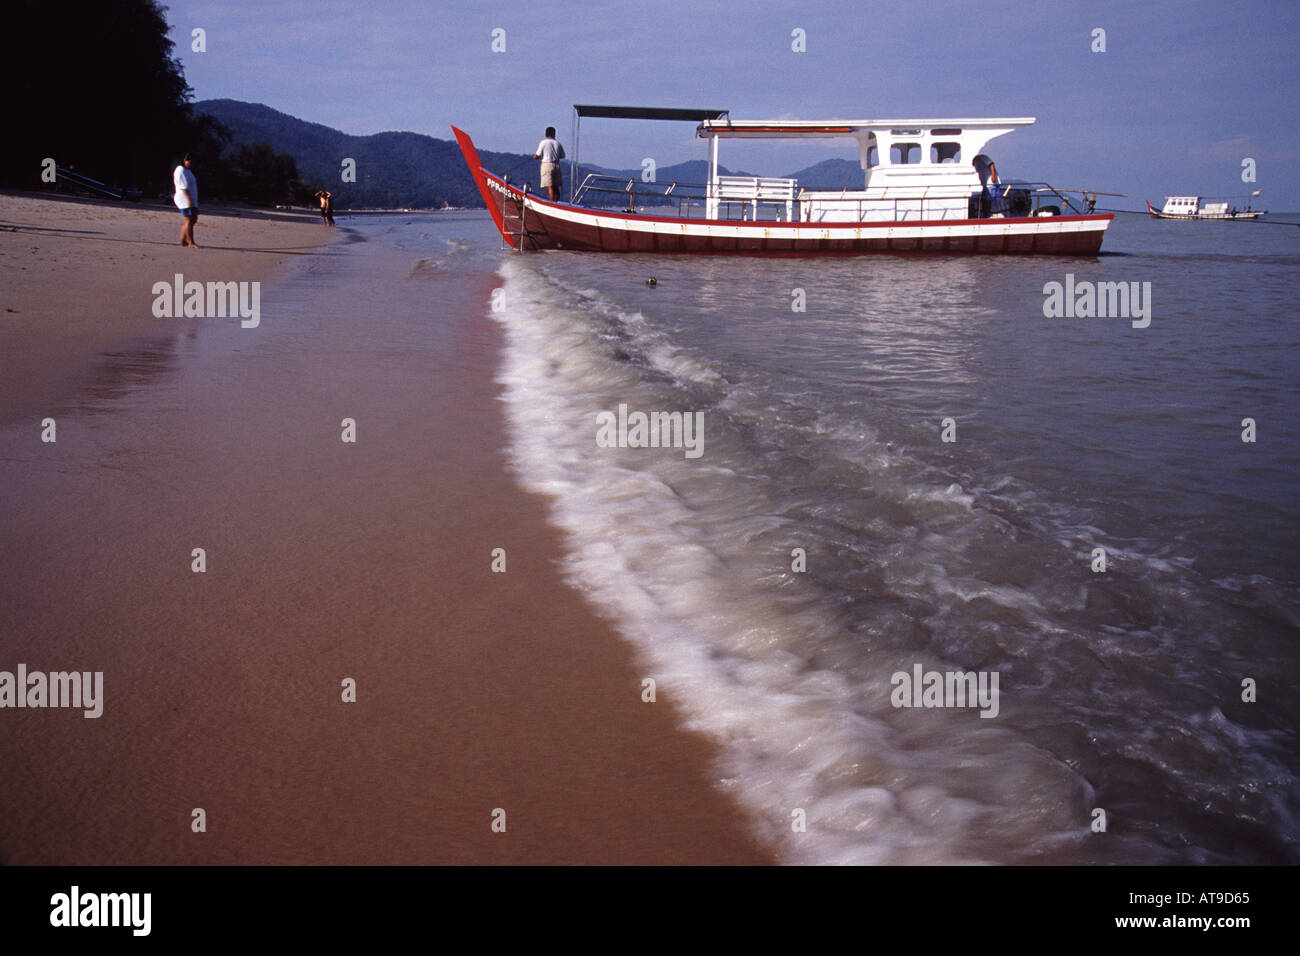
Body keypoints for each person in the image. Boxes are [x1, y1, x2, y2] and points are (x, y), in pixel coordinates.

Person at [532, 126, 566, 201]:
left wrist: (534, 157)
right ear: (554, 134)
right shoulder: (557, 143)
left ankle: (551, 204)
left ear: (546, 134)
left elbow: (538, 155)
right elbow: (562, 155)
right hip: (556, 165)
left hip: (546, 165)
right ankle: (556, 203)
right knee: (556, 188)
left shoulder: (543, 142)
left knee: (550, 187)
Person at [173, 154, 200, 248]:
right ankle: (191, 242)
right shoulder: (180, 170)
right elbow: (183, 187)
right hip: (185, 198)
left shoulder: (188, 171)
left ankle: (182, 240)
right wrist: (189, 200)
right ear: (185, 160)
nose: (191, 164)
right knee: (189, 219)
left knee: (193, 219)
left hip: (191, 198)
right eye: (190, 162)